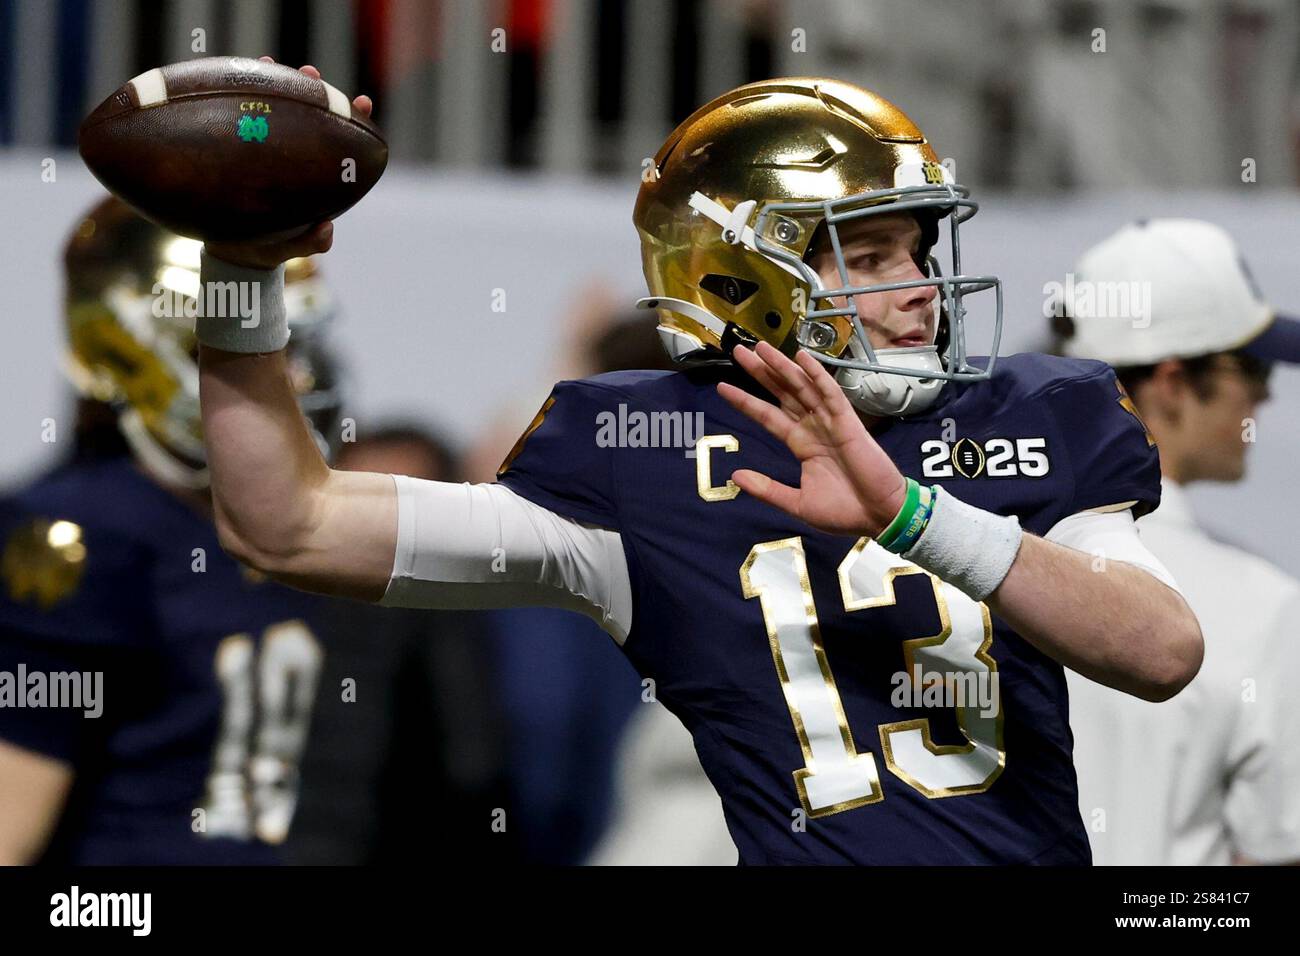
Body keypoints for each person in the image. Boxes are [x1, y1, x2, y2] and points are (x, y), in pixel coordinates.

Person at [195, 65, 1201, 864]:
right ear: (743, 274)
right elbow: (285, 522)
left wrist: (907, 514)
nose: (919, 290)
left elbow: (1159, 649)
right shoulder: (645, 451)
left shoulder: (1028, 410)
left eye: (917, 249)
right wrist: (242, 273)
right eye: (872, 254)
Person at [0, 197, 341, 864]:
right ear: (137, 344)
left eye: (288, 344)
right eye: (244, 342)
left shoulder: (274, 514)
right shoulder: (78, 533)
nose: (291, 375)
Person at [1054, 218, 1300, 865]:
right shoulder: (1261, 606)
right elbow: (1269, 857)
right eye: (1249, 365)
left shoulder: (961, 552)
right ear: (1169, 383)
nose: (1263, 393)